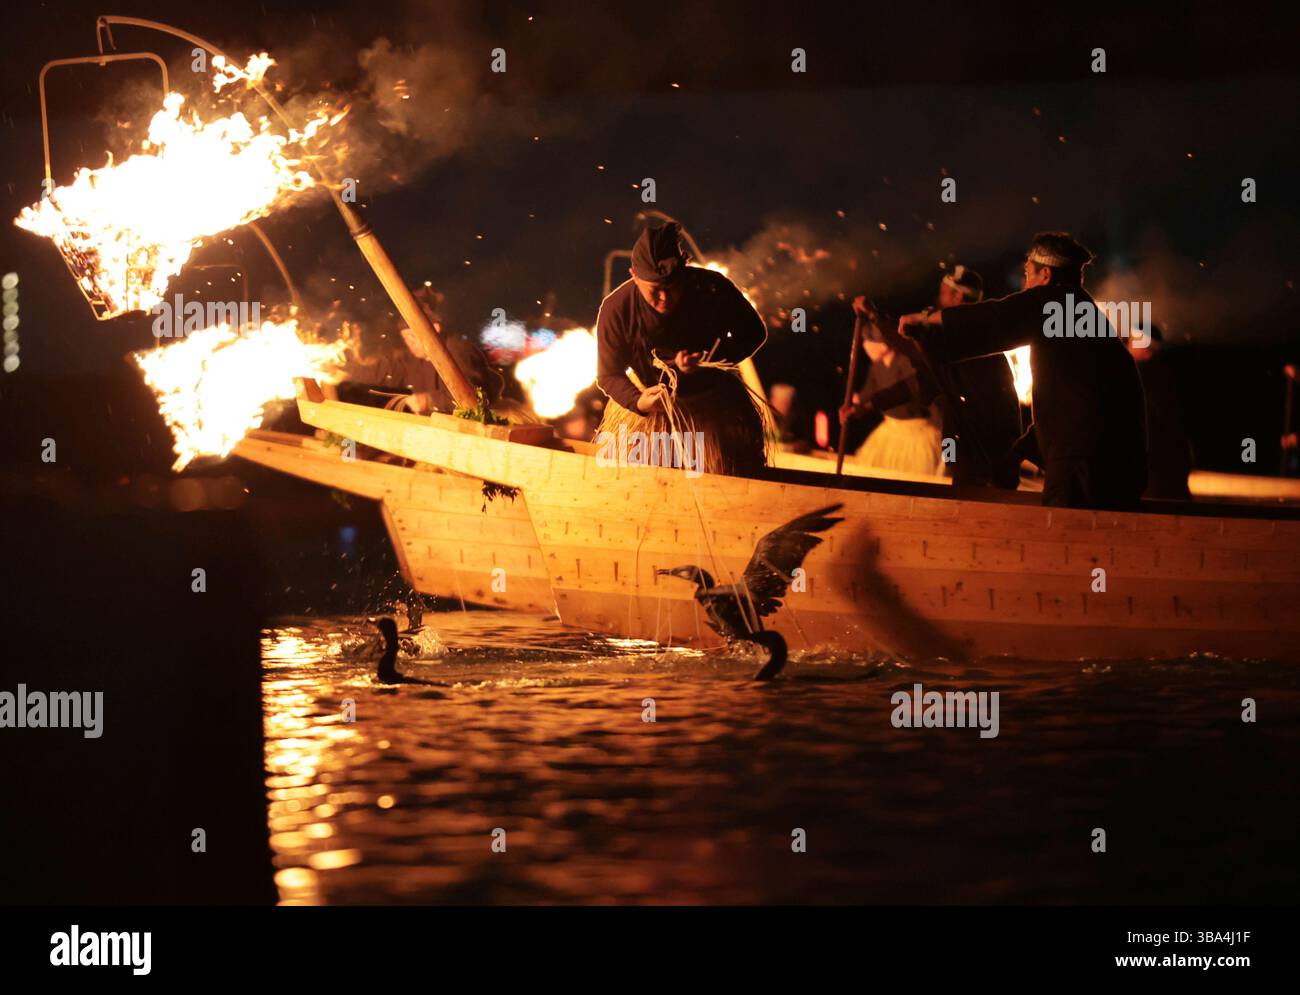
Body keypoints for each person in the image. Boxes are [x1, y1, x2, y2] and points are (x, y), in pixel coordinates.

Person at [896, 232, 1148, 510]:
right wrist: (1019, 453)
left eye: (1028, 274)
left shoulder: (1051, 304)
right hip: (1123, 464)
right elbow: (1077, 402)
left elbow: (995, 317)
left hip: (1080, 465)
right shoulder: (1088, 318)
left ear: (1046, 276)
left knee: (1066, 542)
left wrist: (925, 321)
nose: (1026, 284)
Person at [595, 222, 771, 475]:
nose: (665, 298)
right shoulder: (616, 309)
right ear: (634, 275)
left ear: (685, 271)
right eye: (655, 291)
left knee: (723, 481)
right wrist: (639, 402)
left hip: (713, 409)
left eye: (672, 287)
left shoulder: (714, 288)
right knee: (643, 487)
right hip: (650, 416)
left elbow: (754, 333)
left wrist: (710, 359)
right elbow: (609, 374)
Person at [840, 265, 1022, 486]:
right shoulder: (952, 341)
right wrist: (865, 407)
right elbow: (918, 382)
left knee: (978, 491)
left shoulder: (968, 336)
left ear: (957, 296)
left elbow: (912, 349)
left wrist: (875, 316)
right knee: (959, 483)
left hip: (984, 444)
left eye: (943, 293)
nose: (938, 299)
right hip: (961, 441)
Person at [1127, 325, 1192, 499]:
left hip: (1155, 469)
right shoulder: (1165, 374)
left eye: (1133, 340)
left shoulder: (1145, 376)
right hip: (1165, 466)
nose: (1129, 344)